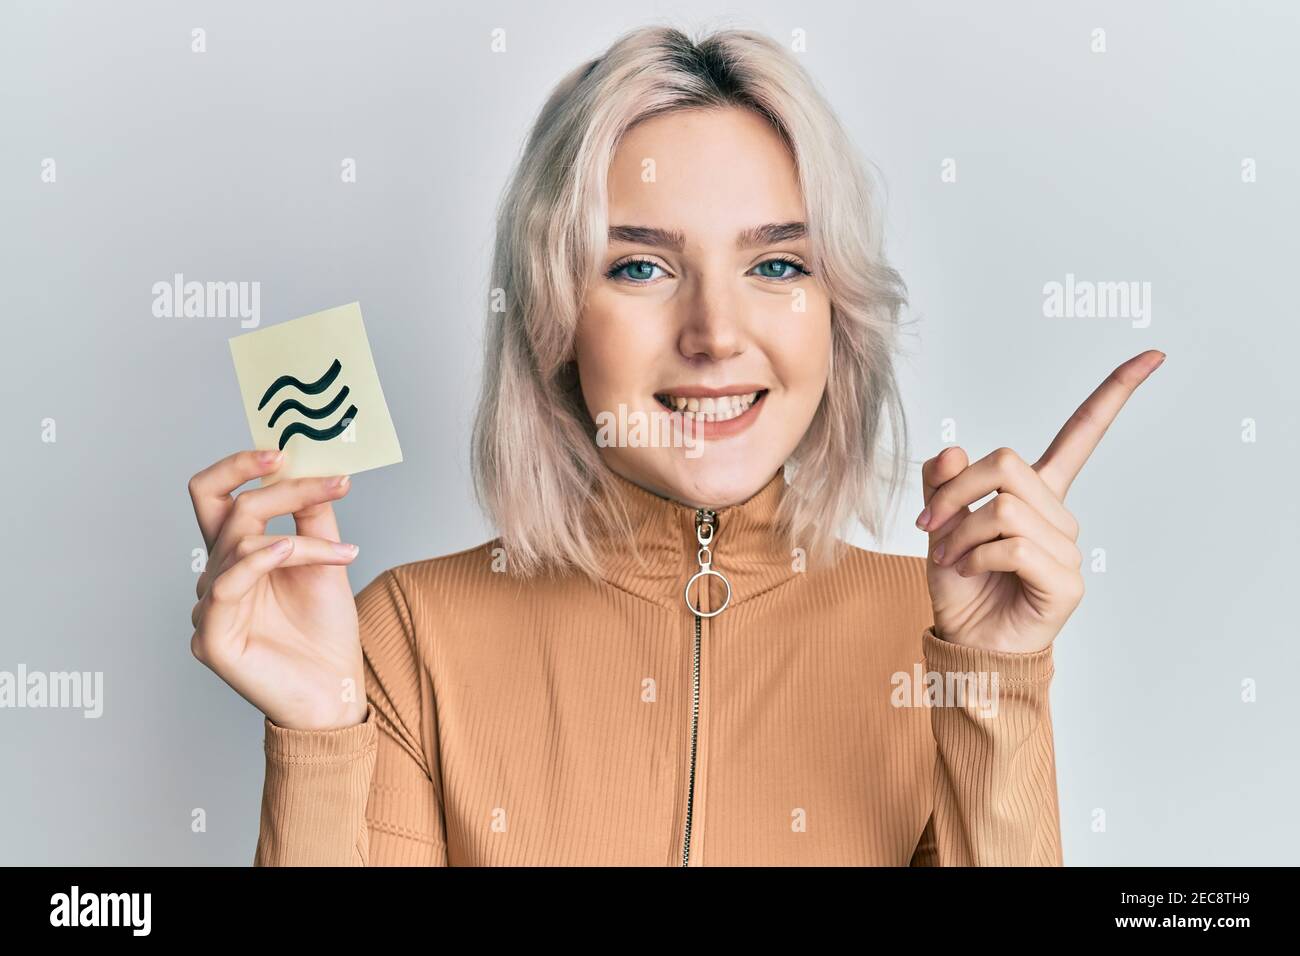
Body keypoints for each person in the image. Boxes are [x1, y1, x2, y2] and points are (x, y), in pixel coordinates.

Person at [187, 24, 1162, 866]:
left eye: (776, 262)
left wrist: (991, 686)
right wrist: (319, 730)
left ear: (839, 315)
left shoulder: (936, 638)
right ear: (552, 316)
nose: (715, 332)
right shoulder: (408, 634)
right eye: (642, 265)